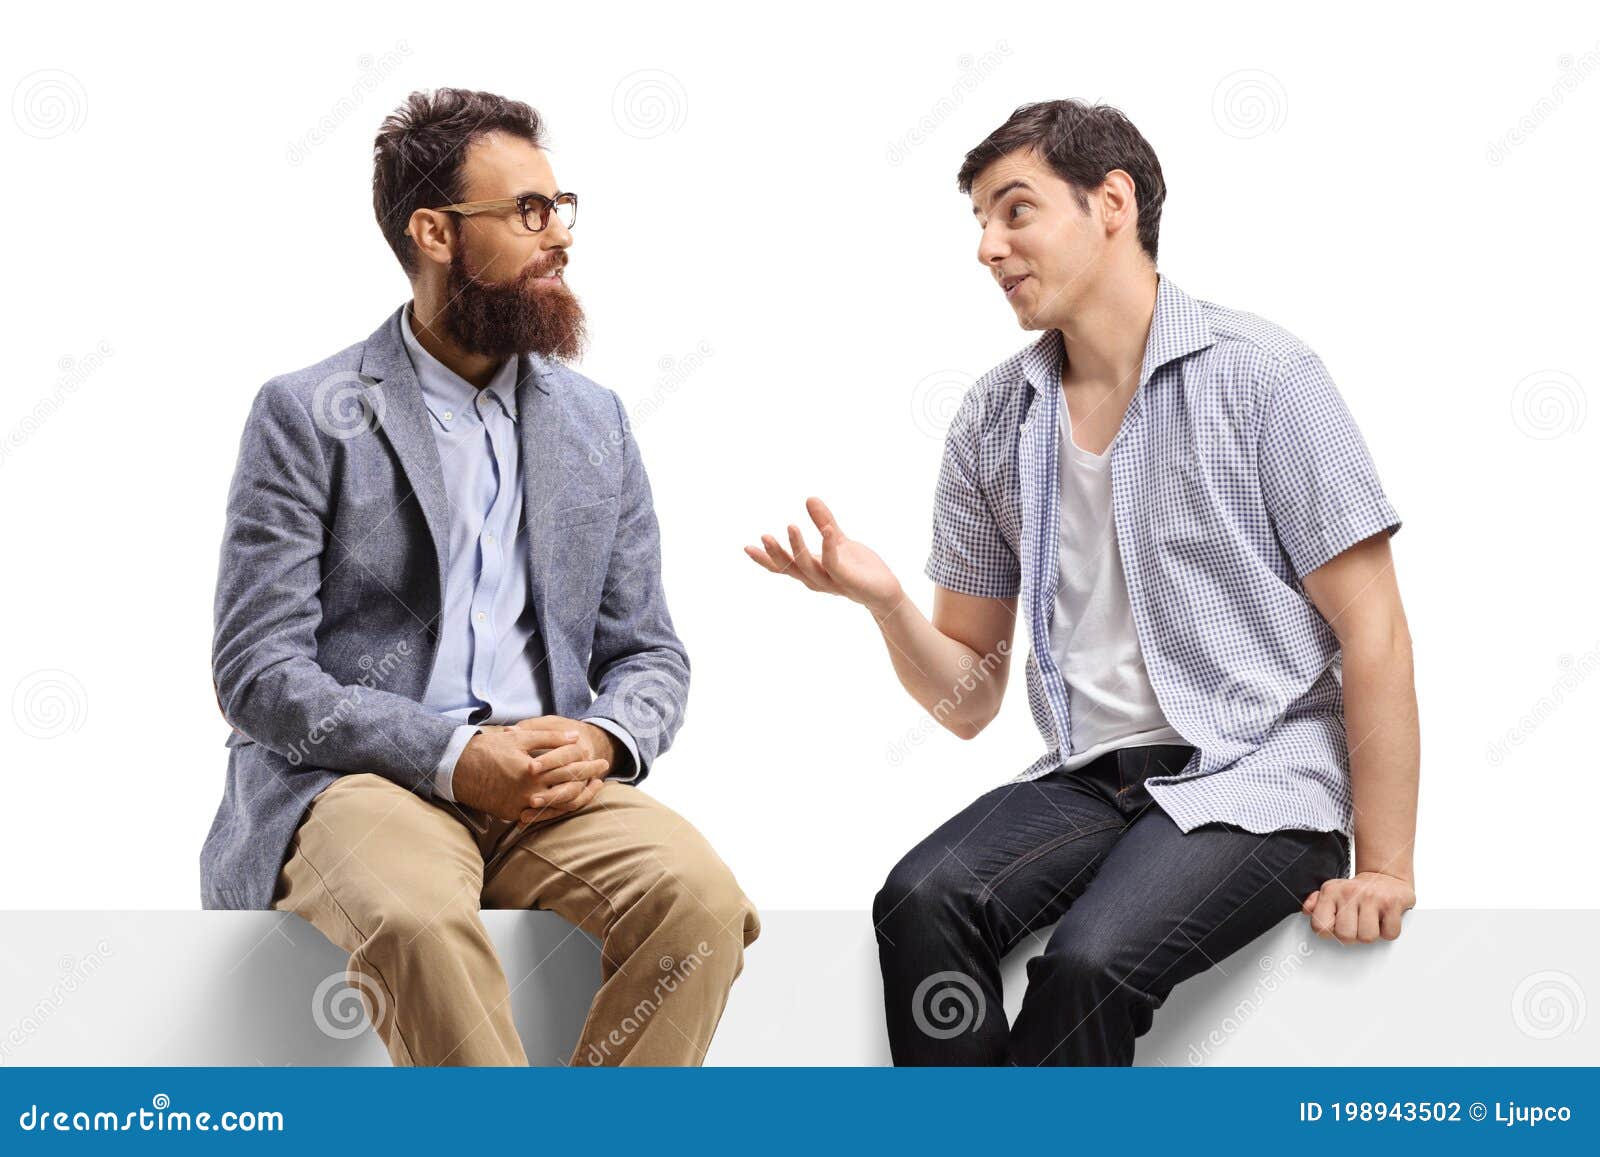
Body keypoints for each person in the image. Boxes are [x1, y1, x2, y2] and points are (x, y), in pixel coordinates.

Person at [746, 99, 1418, 1065]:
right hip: (1089, 784)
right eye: (978, 220)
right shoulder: (994, 418)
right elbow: (968, 698)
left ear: (1113, 203)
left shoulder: (1265, 377)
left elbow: (1376, 633)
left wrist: (1387, 865)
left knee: (1087, 963)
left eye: (1014, 210)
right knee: (922, 899)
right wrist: (887, 602)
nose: (987, 246)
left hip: (1259, 780)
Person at [203, 87, 758, 1066]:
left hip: (550, 787)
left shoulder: (596, 421)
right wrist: (454, 755)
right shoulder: (308, 412)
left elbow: (649, 650)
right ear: (435, 232)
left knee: (703, 904)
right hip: (359, 780)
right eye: (528, 211)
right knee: (416, 919)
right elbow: (258, 673)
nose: (561, 237)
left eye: (561, 206)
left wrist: (602, 732)